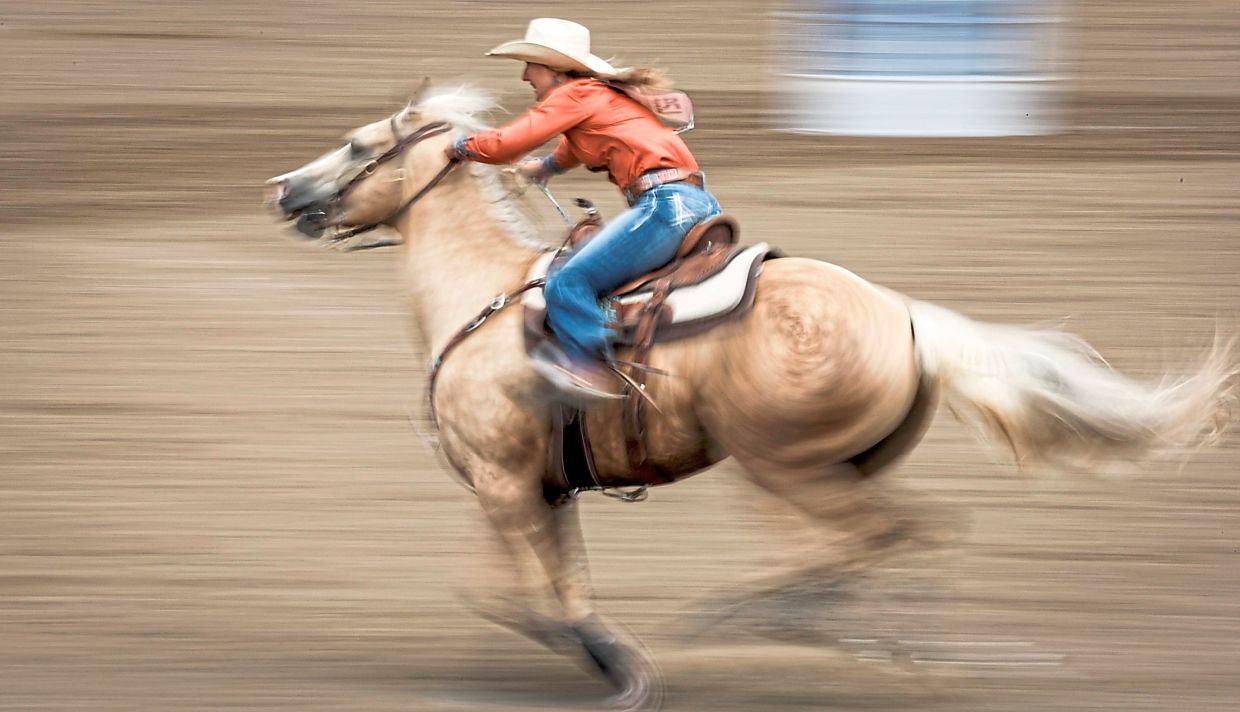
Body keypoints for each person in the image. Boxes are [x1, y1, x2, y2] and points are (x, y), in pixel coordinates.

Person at [446, 17, 721, 401]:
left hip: (665, 206)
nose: (525, 76)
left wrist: (460, 146)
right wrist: (544, 169)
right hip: (695, 203)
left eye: (531, 66)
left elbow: (508, 143)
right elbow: (574, 149)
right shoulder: (599, 98)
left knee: (567, 282)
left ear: (556, 70)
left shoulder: (574, 95)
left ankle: (590, 369)